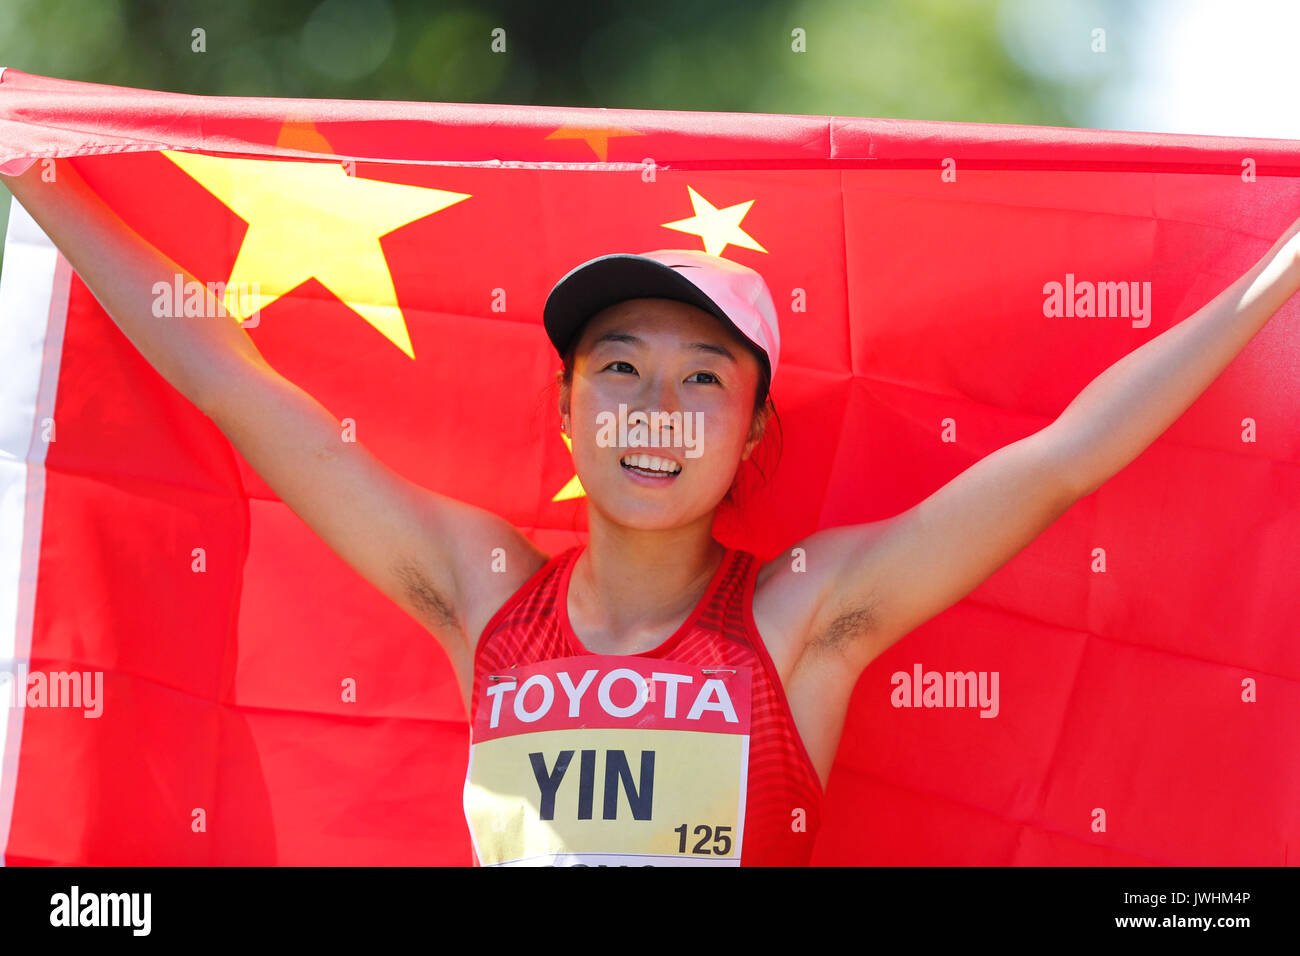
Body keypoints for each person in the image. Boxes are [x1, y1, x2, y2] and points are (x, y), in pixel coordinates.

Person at [3, 158, 1299, 866]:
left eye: (701, 380)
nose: (655, 409)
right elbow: (240, 385)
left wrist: (1272, 273)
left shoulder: (804, 615)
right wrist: (38, 162)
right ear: (567, 414)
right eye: (617, 369)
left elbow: (1068, 456)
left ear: (749, 436)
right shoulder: (483, 587)